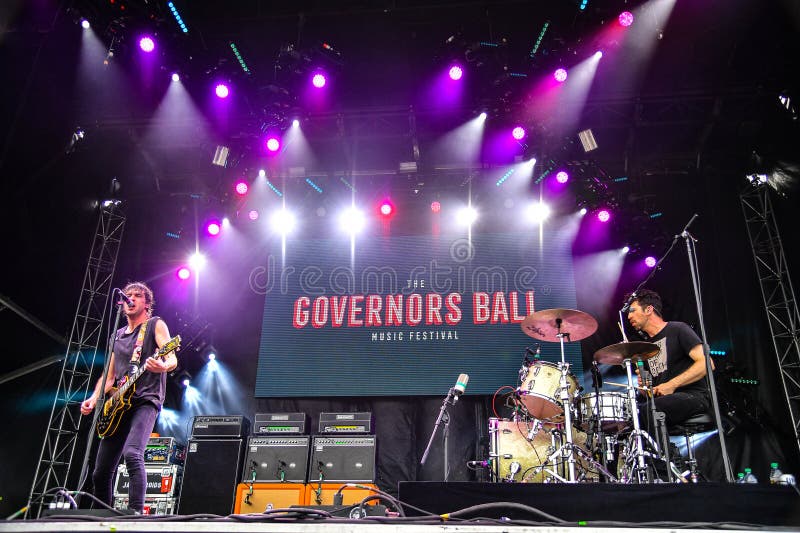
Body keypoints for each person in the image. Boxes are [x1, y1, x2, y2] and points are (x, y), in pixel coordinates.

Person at [80, 282, 177, 513]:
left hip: (146, 399)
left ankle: (134, 515)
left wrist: (161, 366)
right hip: (118, 405)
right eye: (128, 296)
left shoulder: (155, 324)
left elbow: (172, 357)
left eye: (137, 295)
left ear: (147, 303)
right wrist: (94, 399)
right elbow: (109, 376)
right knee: (100, 471)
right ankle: (102, 515)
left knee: (132, 454)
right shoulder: (117, 335)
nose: (130, 298)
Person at [625, 289, 712, 430]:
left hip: (693, 395)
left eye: (633, 310)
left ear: (648, 310)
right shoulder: (645, 348)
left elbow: (707, 363)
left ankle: (665, 453)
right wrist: (644, 387)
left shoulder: (678, 329)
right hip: (663, 402)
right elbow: (650, 390)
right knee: (633, 416)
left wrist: (672, 384)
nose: (629, 316)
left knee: (649, 410)